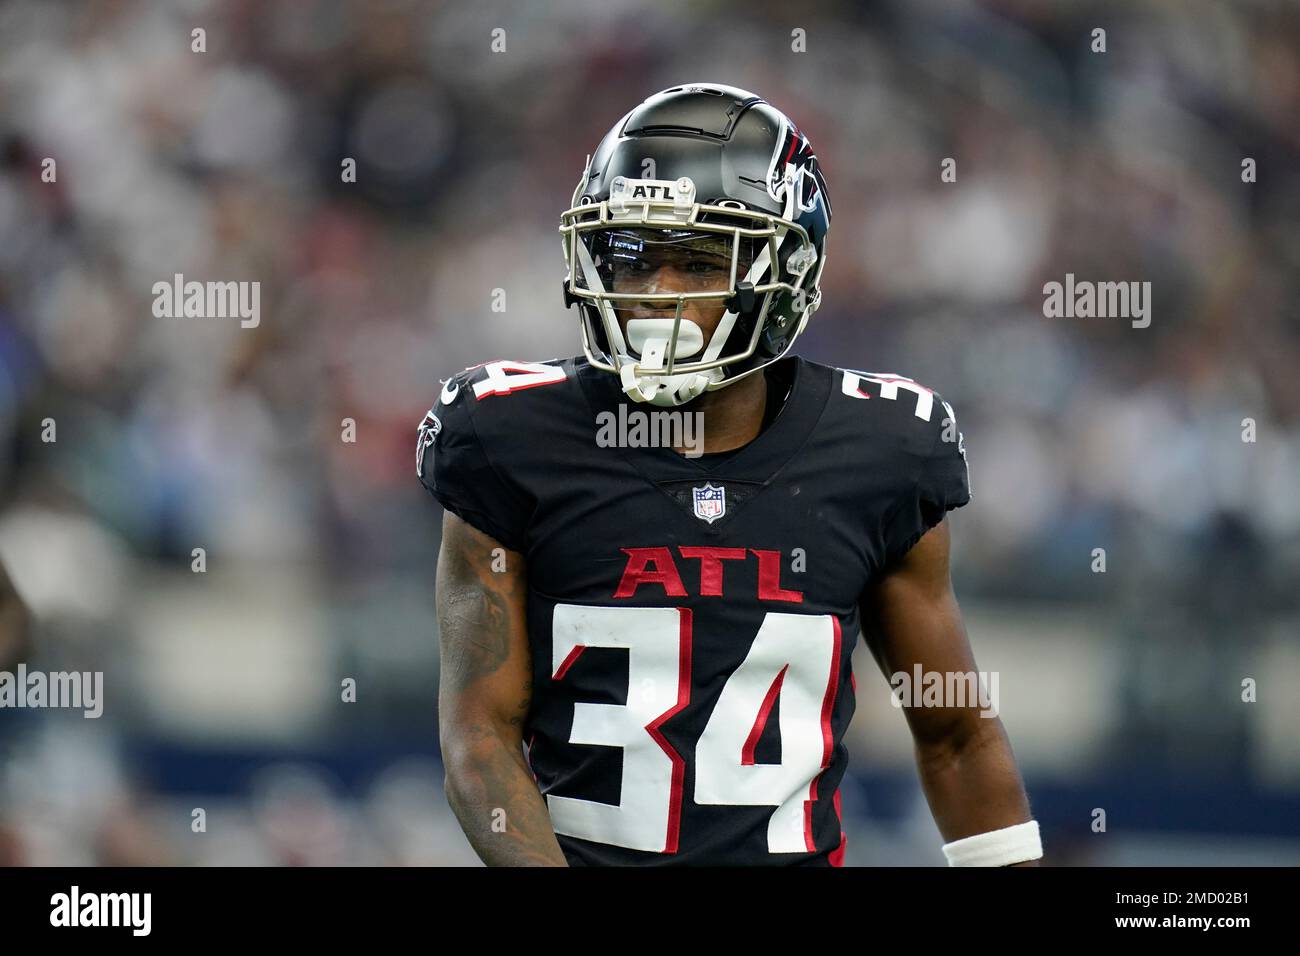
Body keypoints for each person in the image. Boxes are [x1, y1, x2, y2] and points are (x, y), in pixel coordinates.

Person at [419, 83, 1039, 867]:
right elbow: (479, 740)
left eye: (700, 259)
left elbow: (954, 734)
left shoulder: (881, 452)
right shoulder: (510, 436)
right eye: (633, 255)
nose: (657, 294)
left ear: (788, 269)